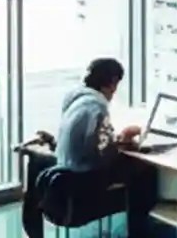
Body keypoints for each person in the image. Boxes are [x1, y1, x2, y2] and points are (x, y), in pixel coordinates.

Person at [54, 58, 156, 237]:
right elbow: (105, 155)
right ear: (112, 83)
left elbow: (92, 140)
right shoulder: (98, 107)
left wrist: (116, 140)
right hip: (83, 176)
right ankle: (140, 232)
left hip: (64, 172)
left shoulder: (75, 99)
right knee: (145, 172)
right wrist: (125, 141)